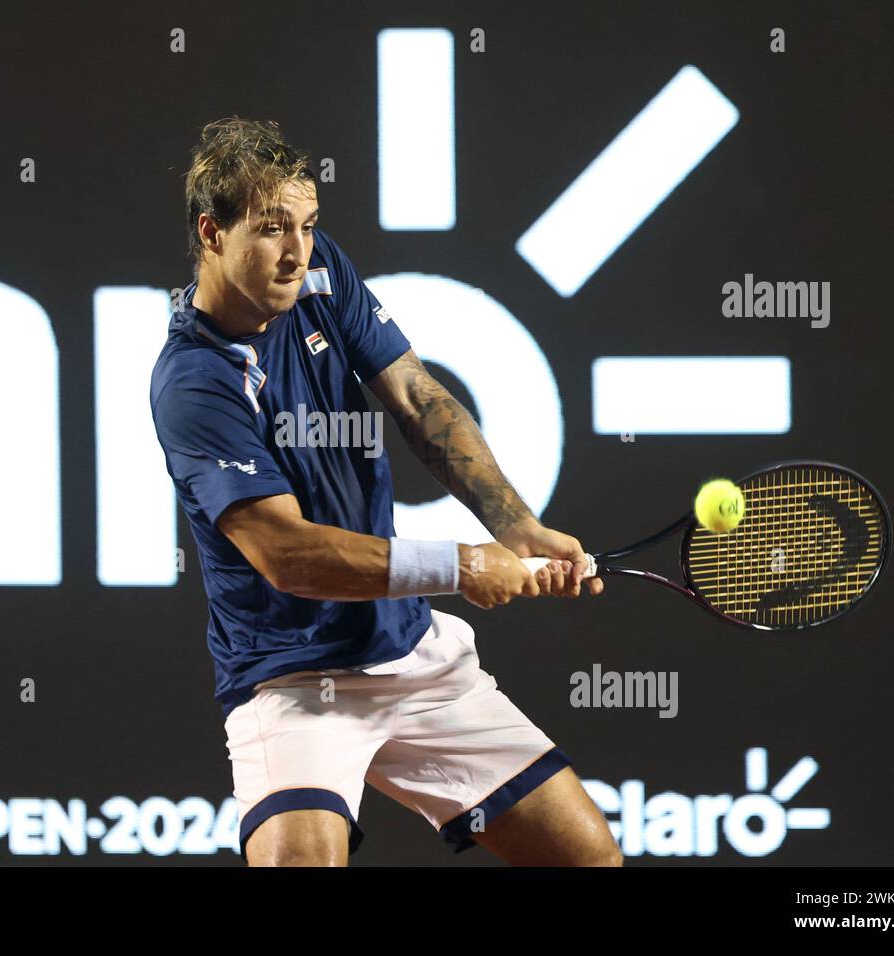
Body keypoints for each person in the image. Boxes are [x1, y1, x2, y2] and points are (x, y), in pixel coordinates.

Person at [150, 117, 619, 867]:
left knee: (587, 858)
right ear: (212, 231)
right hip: (292, 677)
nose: (296, 251)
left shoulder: (319, 274)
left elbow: (415, 397)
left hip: (409, 653)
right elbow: (288, 556)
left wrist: (518, 525)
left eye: (307, 226)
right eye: (272, 230)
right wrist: (462, 567)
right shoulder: (194, 384)